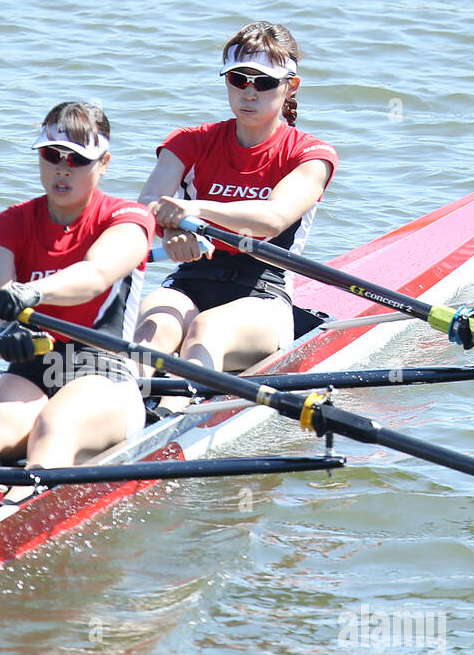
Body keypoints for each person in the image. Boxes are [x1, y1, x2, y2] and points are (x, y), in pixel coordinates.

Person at [0, 101, 155, 504]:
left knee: (56, 425)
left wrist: (32, 293)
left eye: (78, 159)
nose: (63, 168)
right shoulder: (4, 225)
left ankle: (20, 515)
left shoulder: (128, 219)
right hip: (28, 369)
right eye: (52, 155)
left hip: (103, 375)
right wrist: (4, 327)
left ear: (104, 163)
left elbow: (95, 277)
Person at [134, 21, 338, 409]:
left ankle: (166, 420)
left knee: (206, 329)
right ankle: (117, 414)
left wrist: (192, 211)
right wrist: (168, 230)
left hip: (263, 291)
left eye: (263, 83)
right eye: (238, 79)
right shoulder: (190, 142)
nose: (249, 92)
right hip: (191, 279)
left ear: (290, 86)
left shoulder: (310, 155)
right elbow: (147, 205)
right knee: (152, 330)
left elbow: (273, 218)